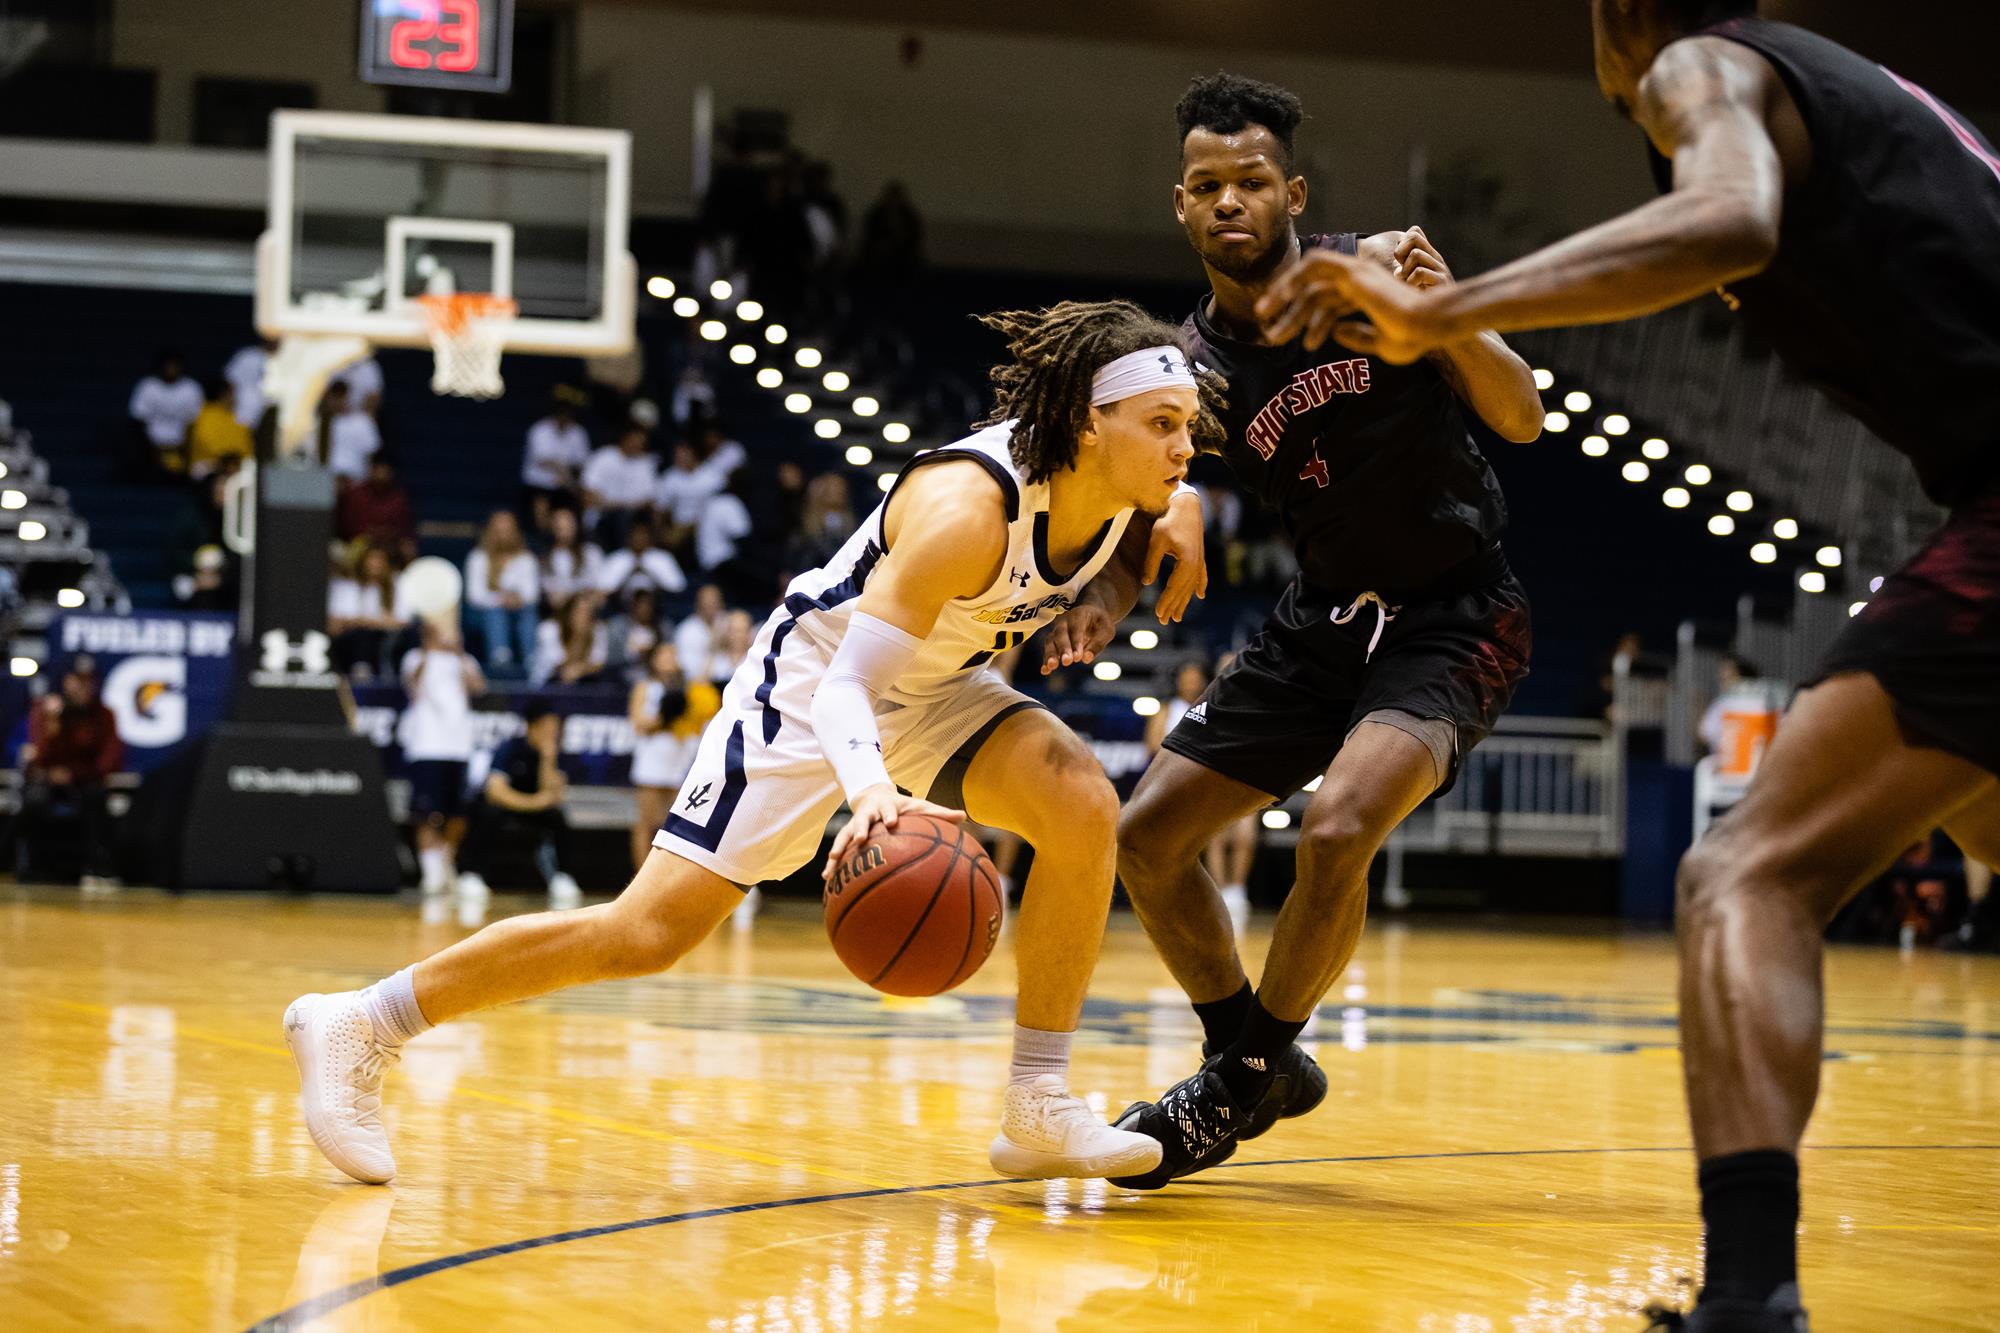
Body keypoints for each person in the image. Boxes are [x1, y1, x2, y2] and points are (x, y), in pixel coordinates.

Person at [1251, 8, 2000, 1328]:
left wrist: (1441, 312)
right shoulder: (1857, 88)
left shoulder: (1697, 67)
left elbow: (1729, 225)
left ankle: (1748, 1296)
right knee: (1981, 813)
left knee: (1743, 873)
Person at [281, 297, 1213, 1189]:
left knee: (1085, 804)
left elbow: (1141, 534)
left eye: (1188, 423)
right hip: (817, 680)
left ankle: (1037, 1100)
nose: (1185, 445)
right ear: (1090, 425)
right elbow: (849, 681)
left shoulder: (1152, 492)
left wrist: (1108, 597)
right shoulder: (968, 510)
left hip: (938, 687)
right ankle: (363, 1020)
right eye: (1163, 423)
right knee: (646, 932)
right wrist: (870, 791)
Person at [1044, 73, 1541, 1192]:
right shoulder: (1195, 369)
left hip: (1455, 611)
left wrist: (1450, 312)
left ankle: (1234, 1082)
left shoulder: (1377, 277)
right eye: (1207, 185)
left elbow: (1520, 415)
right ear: (1180, 205)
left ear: (1291, 192)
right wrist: (1103, 600)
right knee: (1148, 835)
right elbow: (1141, 503)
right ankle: (1251, 1052)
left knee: (1334, 830)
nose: (1231, 201)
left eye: (1252, 182)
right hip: (1320, 620)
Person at [1144, 658, 1254, 929]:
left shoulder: (1213, 705)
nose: (1191, 682)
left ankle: (1235, 894)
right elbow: (1153, 747)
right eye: (1187, 677)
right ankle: (1207, 893)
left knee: (1245, 829)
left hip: (1217, 780)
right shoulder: (1167, 710)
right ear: (1178, 680)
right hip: (1174, 784)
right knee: (1211, 834)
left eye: (1196, 677)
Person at [455, 700, 583, 911]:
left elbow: (553, 796)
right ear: (531, 727)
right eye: (546, 727)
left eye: (555, 729)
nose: (551, 733)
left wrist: (547, 759)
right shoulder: (509, 748)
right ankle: (472, 875)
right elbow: (495, 791)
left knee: (557, 817)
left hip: (532, 809)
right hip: (507, 805)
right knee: (487, 814)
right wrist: (533, 803)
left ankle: (562, 878)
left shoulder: (554, 753)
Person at [16, 657, 124, 889]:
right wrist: (53, 723)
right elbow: (39, 757)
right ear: (66, 682)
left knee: (96, 797)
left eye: (88, 681)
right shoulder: (45, 711)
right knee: (33, 801)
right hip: (48, 779)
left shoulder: (104, 715)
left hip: (84, 780)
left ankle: (99, 867)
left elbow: (109, 760)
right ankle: (29, 866)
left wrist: (73, 773)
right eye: (77, 680)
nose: (83, 687)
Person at [399, 620, 486, 897]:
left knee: (458, 812)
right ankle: (431, 872)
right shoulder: (414, 658)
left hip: (458, 747)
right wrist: (428, 650)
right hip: (426, 746)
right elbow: (412, 683)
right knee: (426, 813)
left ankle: (445, 860)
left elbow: (478, 687)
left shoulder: (465, 661)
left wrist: (459, 654)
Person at [626, 642, 720, 872]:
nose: (671, 659)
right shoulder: (645, 687)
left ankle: (664, 875)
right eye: (666, 655)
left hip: (678, 759)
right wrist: (663, 717)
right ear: (655, 660)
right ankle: (640, 875)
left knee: (674, 825)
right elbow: (637, 721)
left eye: (674, 655)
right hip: (652, 758)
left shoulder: (688, 688)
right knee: (647, 822)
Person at [464, 510, 540, 679]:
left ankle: (532, 660)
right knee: (495, 613)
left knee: (529, 611)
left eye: (507, 529)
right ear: (490, 531)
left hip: (520, 611)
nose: (503, 535)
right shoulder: (478, 557)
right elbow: (474, 596)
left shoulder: (526, 559)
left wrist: (517, 599)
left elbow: (532, 595)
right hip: (484, 614)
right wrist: (501, 599)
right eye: (499, 530)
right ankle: (500, 659)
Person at [327, 543, 403, 680]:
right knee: (362, 635)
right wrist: (378, 621)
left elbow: (403, 622)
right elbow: (335, 626)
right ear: (362, 562)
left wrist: (361, 621)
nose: (375, 564)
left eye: (380, 559)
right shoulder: (346, 588)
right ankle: (361, 675)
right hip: (351, 642)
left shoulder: (397, 587)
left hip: (387, 639)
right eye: (371, 559)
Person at [521, 387, 593, 531]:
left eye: (568, 414)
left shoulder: (578, 432)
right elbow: (544, 461)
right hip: (538, 483)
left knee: (582, 494)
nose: (564, 417)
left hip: (565, 485)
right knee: (541, 497)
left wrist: (574, 483)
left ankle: (576, 533)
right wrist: (566, 478)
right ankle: (542, 532)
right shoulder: (540, 429)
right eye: (561, 414)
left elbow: (581, 463)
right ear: (555, 414)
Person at [581, 424, 660, 549]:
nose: (638, 445)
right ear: (625, 438)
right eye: (635, 440)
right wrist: (624, 505)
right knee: (619, 516)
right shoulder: (603, 457)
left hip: (631, 523)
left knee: (629, 518)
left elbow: (649, 501)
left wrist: (614, 504)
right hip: (600, 520)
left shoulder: (645, 464)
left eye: (642, 442)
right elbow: (589, 497)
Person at [128, 349, 203, 477]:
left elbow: (194, 424)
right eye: (168, 365)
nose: (171, 369)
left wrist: (183, 449)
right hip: (150, 446)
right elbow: (138, 421)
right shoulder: (148, 386)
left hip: (180, 448)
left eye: (175, 365)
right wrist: (153, 449)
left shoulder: (191, 388)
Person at [336, 456, 417, 565]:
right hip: (360, 542)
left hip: (390, 544)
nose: (381, 474)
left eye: (385, 470)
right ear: (371, 470)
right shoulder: (356, 494)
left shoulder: (399, 497)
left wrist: (387, 535)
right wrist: (371, 534)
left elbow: (404, 527)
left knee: (408, 549)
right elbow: (347, 525)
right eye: (378, 470)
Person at [595, 519, 688, 602]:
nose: (639, 538)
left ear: (650, 536)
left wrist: (651, 576)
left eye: (643, 534)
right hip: (621, 610)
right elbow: (602, 591)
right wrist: (627, 577)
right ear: (628, 536)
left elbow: (678, 588)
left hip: (659, 609)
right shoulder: (616, 558)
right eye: (636, 534)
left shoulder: (663, 557)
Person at [532, 593, 610, 687]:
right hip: (546, 684)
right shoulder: (549, 629)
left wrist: (580, 670)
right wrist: (577, 638)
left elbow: (599, 663)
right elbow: (559, 665)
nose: (584, 617)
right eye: (580, 611)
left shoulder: (598, 629)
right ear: (568, 612)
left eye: (589, 613)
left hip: (584, 681)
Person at [186, 378, 254, 481]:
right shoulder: (201, 416)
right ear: (223, 395)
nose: (235, 398)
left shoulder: (238, 419)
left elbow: (247, 453)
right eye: (232, 393)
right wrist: (223, 463)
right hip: (207, 470)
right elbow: (206, 446)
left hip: (235, 467)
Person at [538, 507, 605, 611]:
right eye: (559, 525)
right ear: (552, 527)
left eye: (567, 524)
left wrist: (578, 597)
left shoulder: (591, 552)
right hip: (559, 614)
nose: (563, 528)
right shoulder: (546, 559)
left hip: (588, 611)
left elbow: (600, 591)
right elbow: (553, 598)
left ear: (576, 525)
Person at [318, 381, 381, 485]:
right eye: (334, 396)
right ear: (327, 397)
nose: (337, 400)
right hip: (324, 483)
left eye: (341, 395)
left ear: (347, 396)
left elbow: (371, 457)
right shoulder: (318, 423)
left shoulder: (363, 422)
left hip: (356, 483)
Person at [224, 334, 277, 430]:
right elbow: (230, 384)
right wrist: (228, 407)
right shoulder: (247, 355)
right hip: (241, 413)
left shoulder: (286, 361)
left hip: (269, 418)